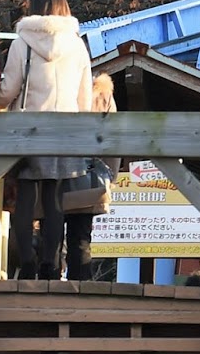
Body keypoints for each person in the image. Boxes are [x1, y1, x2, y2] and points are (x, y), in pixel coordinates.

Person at [0, 0, 93, 280]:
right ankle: (50, 266)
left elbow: (8, 89)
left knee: (26, 197)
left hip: (27, 130)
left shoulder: (23, 42)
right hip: (65, 131)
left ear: (33, 8)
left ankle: (27, 264)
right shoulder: (76, 44)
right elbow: (84, 96)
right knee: (54, 199)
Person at [62, 72, 117, 281]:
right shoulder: (103, 94)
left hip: (52, 168)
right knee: (81, 236)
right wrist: (111, 176)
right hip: (88, 175)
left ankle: (49, 278)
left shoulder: (60, 85)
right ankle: (80, 285)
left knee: (51, 229)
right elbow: (113, 137)